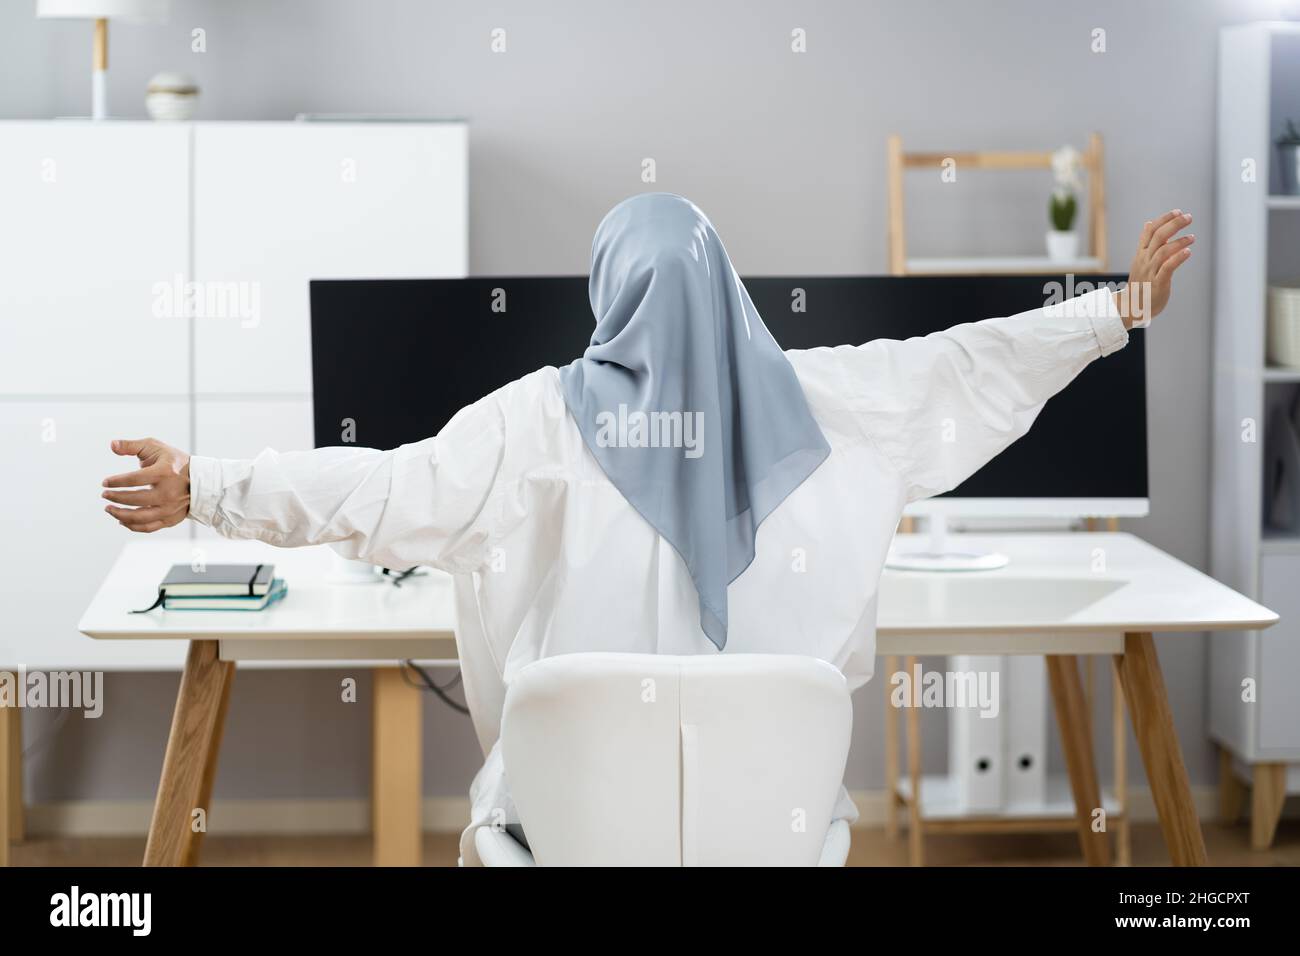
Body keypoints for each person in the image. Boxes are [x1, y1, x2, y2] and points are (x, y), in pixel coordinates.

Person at [100, 193, 1192, 864]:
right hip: (777, 832)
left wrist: (207, 486)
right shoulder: (842, 401)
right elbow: (975, 359)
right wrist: (1116, 310)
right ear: (729, 292)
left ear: (606, 293)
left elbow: (382, 490)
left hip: (569, 835)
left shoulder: (533, 420)